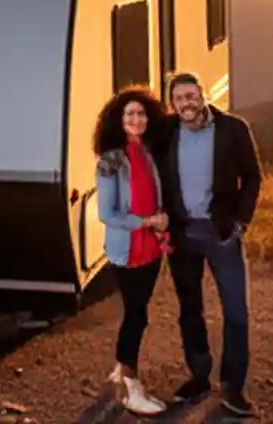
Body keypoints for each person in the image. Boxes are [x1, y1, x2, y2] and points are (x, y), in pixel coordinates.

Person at [154, 72, 263, 417]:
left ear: (202, 95)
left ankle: (234, 387)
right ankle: (199, 376)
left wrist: (240, 222)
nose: (186, 102)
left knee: (237, 312)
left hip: (222, 234)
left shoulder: (233, 129)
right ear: (172, 104)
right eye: (178, 98)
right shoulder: (167, 133)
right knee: (190, 309)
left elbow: (253, 177)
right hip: (184, 235)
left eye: (190, 95)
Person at [93, 86, 173, 417]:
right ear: (119, 120)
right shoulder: (110, 161)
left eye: (141, 113)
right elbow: (107, 214)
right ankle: (129, 386)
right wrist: (149, 221)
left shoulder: (149, 152)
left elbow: (155, 193)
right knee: (136, 315)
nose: (136, 119)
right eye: (129, 114)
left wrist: (162, 218)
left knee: (138, 313)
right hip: (127, 250)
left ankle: (122, 368)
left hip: (152, 249)